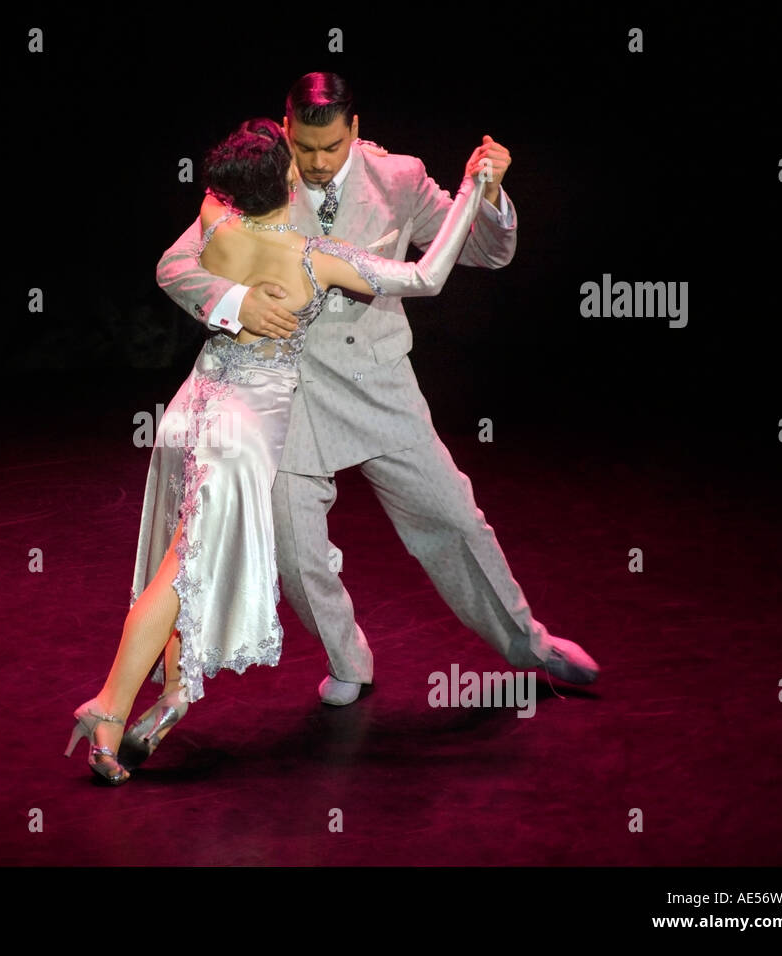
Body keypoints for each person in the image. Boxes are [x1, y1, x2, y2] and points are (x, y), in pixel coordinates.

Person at [65, 117, 487, 784]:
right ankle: (109, 706)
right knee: (182, 569)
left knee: (184, 567)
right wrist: (472, 187)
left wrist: (232, 292)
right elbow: (429, 275)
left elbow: (187, 248)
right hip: (238, 433)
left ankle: (173, 695)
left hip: (190, 409)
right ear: (287, 176)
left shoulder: (216, 218)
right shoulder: (311, 255)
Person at [157, 73, 600, 708]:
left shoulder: (398, 176)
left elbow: (483, 252)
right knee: (295, 552)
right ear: (285, 130)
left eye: (330, 147)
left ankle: (530, 645)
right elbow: (177, 265)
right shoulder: (256, 177)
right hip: (291, 390)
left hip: (379, 380)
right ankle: (348, 656)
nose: (315, 163)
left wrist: (489, 194)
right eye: (304, 147)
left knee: (453, 518)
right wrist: (236, 301)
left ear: (354, 130)